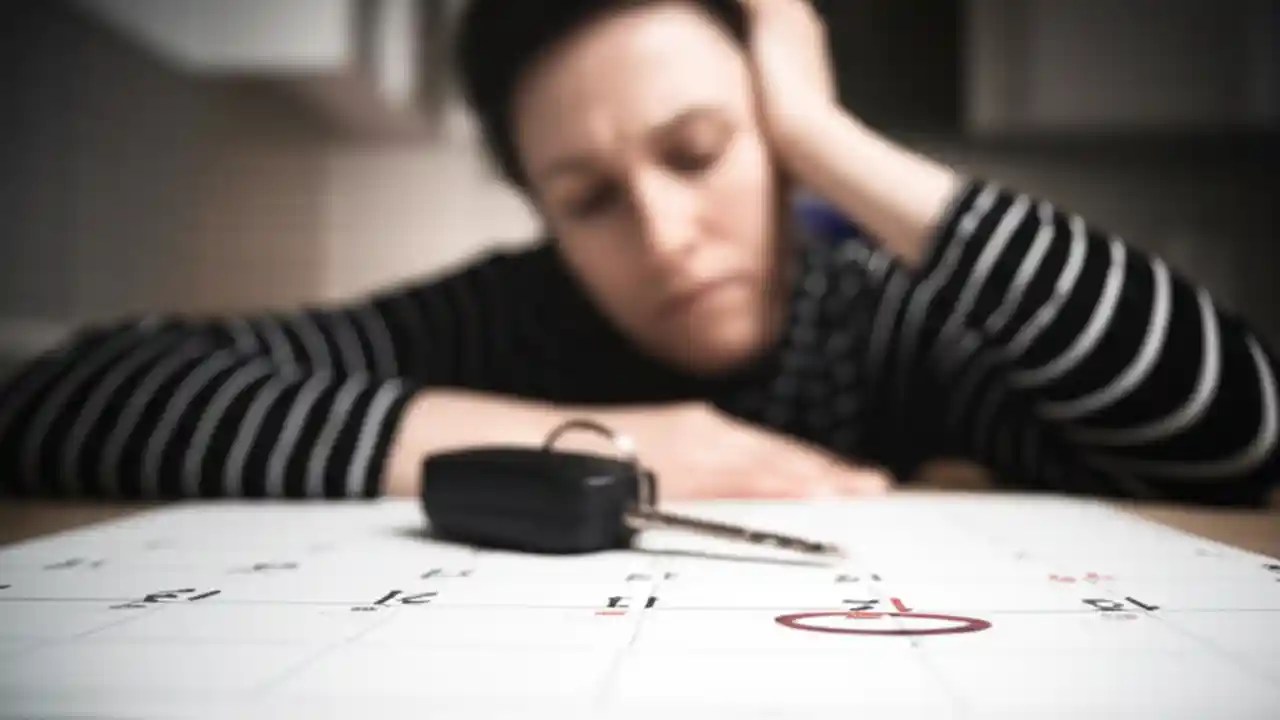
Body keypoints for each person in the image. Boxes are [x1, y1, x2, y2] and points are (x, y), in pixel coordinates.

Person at [0, 0, 1275, 506]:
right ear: (539, 211)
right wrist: (635, 445)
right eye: (588, 197)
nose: (663, 233)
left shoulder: (883, 321)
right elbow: (69, 398)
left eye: (701, 149)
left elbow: (1233, 437)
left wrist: (823, 134)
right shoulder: (497, 322)